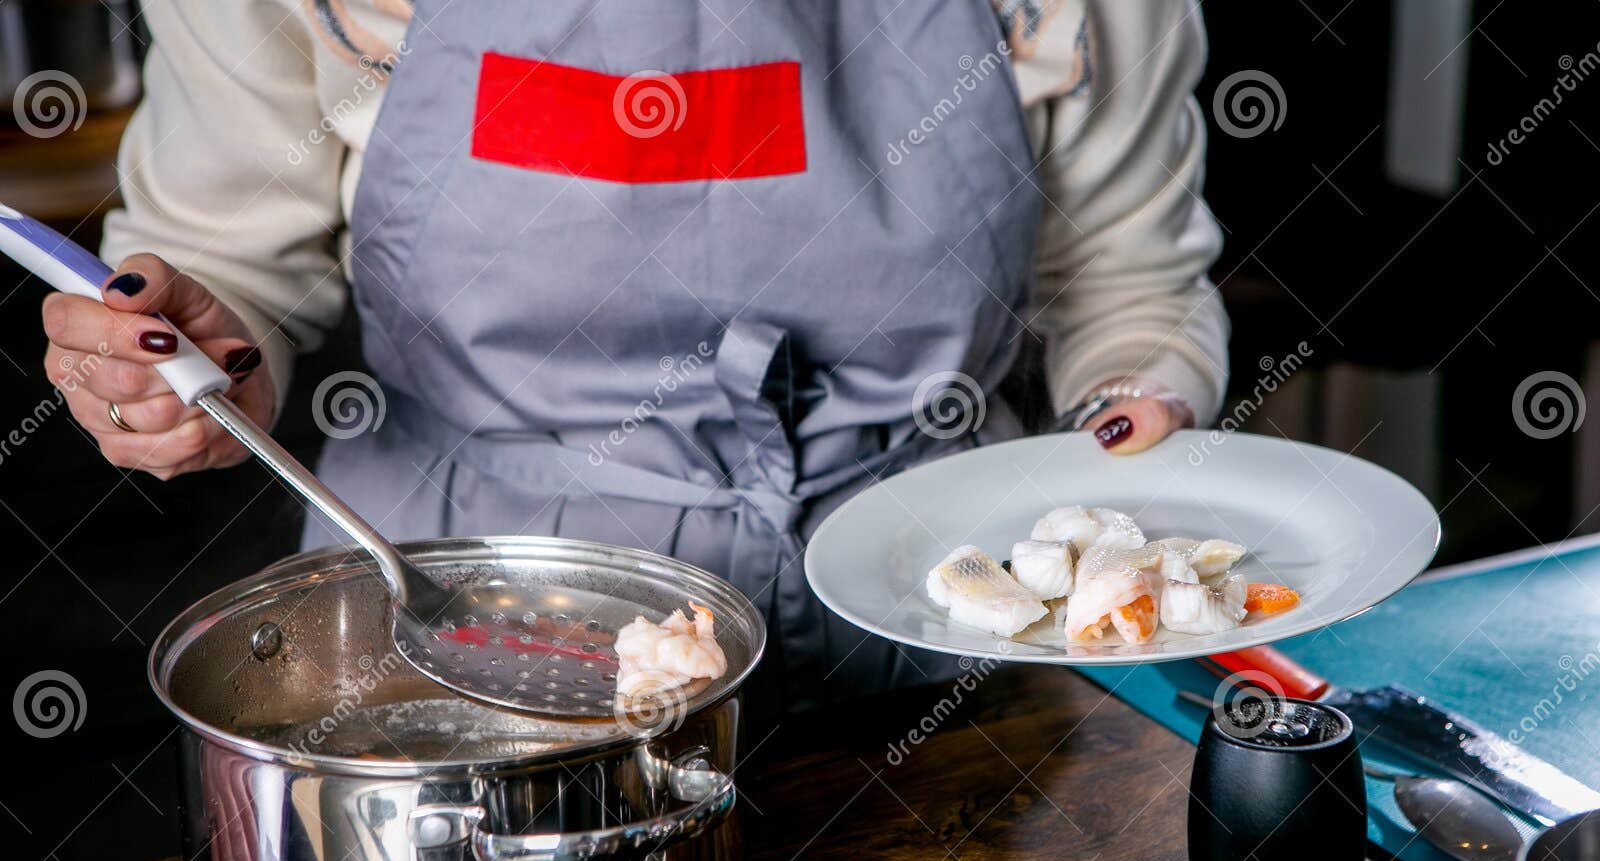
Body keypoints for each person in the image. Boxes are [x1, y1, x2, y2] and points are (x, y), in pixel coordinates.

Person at [41, 0, 1227, 713]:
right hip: (463, 622)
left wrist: (1134, 398)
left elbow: (1125, 274)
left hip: (943, 616)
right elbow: (224, 260)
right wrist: (192, 365)